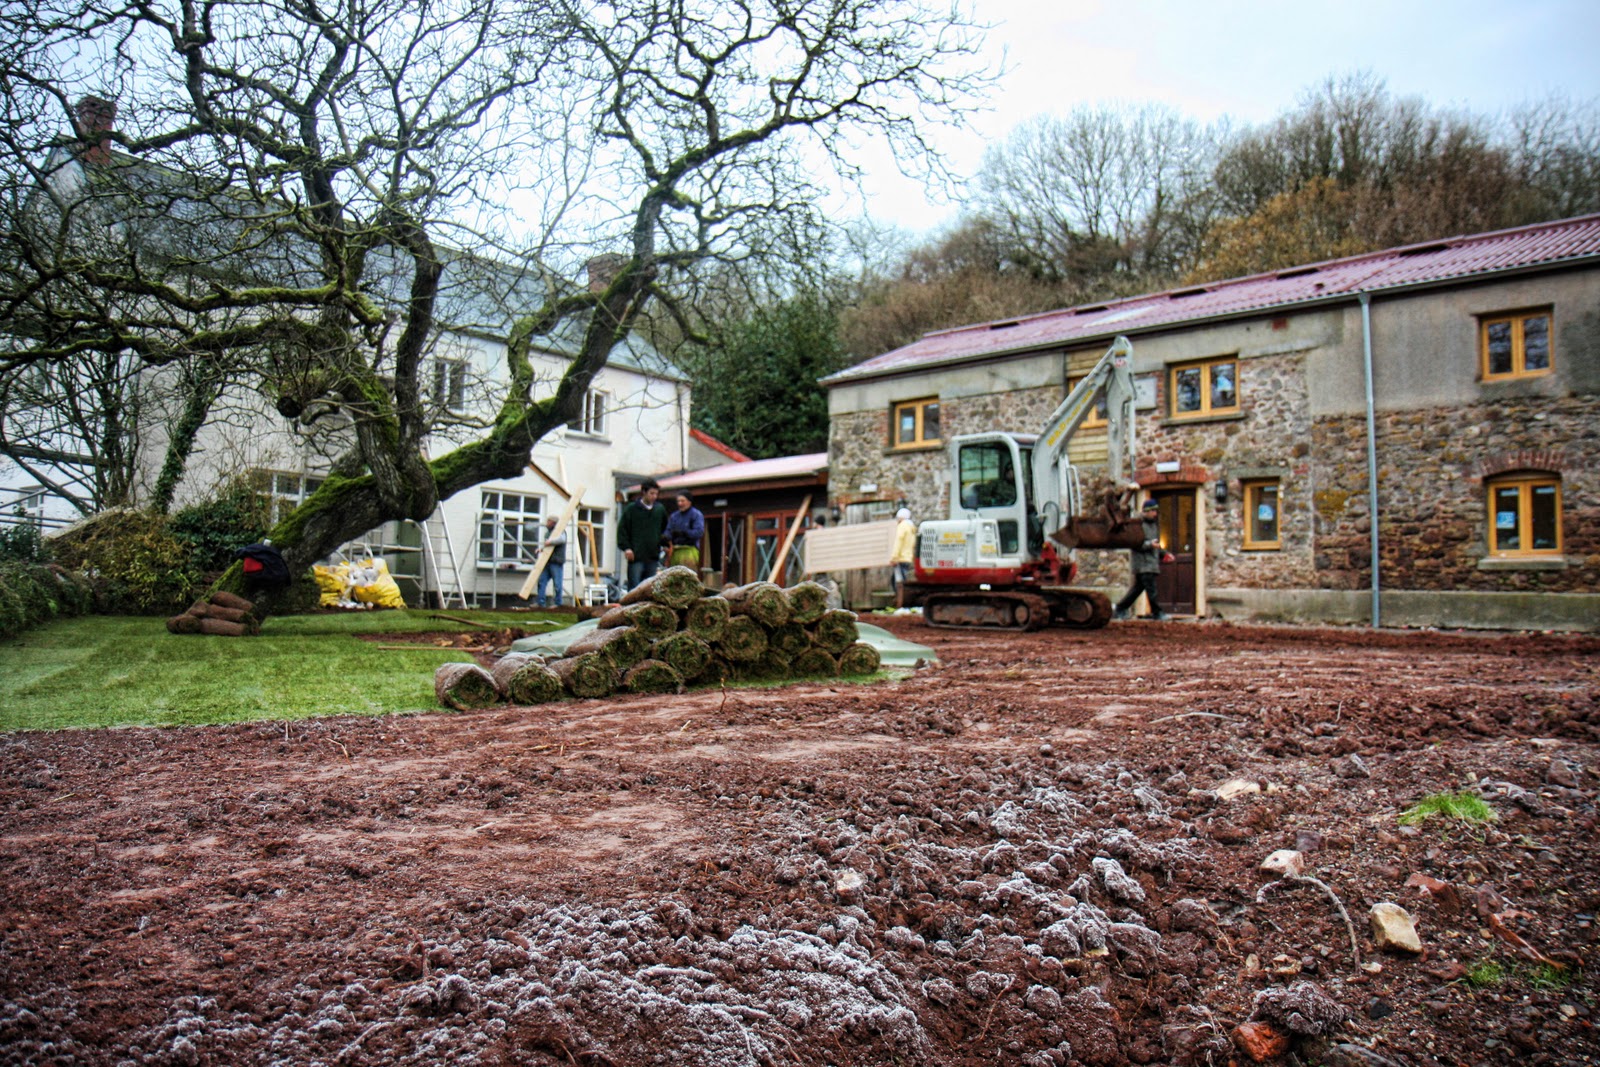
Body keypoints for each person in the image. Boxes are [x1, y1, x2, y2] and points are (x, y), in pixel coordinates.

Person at [1113, 498, 1169, 620]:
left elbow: (1156, 543)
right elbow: (1135, 544)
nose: (1155, 514)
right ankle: (1157, 613)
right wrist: (1150, 545)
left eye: (1156, 511)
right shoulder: (1137, 525)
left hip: (1151, 563)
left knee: (1137, 590)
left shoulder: (1154, 525)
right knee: (1151, 590)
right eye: (1153, 511)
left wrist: (1163, 554)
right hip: (1143, 564)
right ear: (1147, 511)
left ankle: (1120, 608)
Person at [618, 479, 667, 590]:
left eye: (656, 494)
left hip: (653, 556)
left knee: (649, 588)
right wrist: (626, 548)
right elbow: (622, 530)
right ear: (644, 492)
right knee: (635, 587)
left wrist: (664, 544)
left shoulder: (660, 510)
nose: (654, 496)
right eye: (651, 493)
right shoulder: (631, 509)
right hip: (636, 556)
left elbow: (664, 529)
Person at [665, 491, 705, 568]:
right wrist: (666, 537)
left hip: (690, 551)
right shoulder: (674, 516)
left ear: (689, 502)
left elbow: (699, 532)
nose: (680, 503)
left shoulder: (696, 514)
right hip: (674, 551)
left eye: (682, 501)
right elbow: (668, 530)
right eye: (678, 501)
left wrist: (685, 533)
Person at [536, 516, 566, 608]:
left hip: (556, 562)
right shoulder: (548, 533)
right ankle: (541, 603)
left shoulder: (561, 531)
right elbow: (547, 544)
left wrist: (551, 542)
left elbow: (562, 539)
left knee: (557, 584)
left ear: (553, 523)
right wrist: (541, 549)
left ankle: (558, 603)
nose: (546, 523)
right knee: (541, 581)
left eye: (548, 521)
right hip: (547, 561)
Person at [890, 506, 916, 608]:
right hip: (907, 557)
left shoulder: (902, 527)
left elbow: (898, 542)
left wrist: (894, 558)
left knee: (899, 583)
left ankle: (902, 604)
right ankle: (903, 602)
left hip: (901, 558)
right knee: (901, 580)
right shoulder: (911, 528)